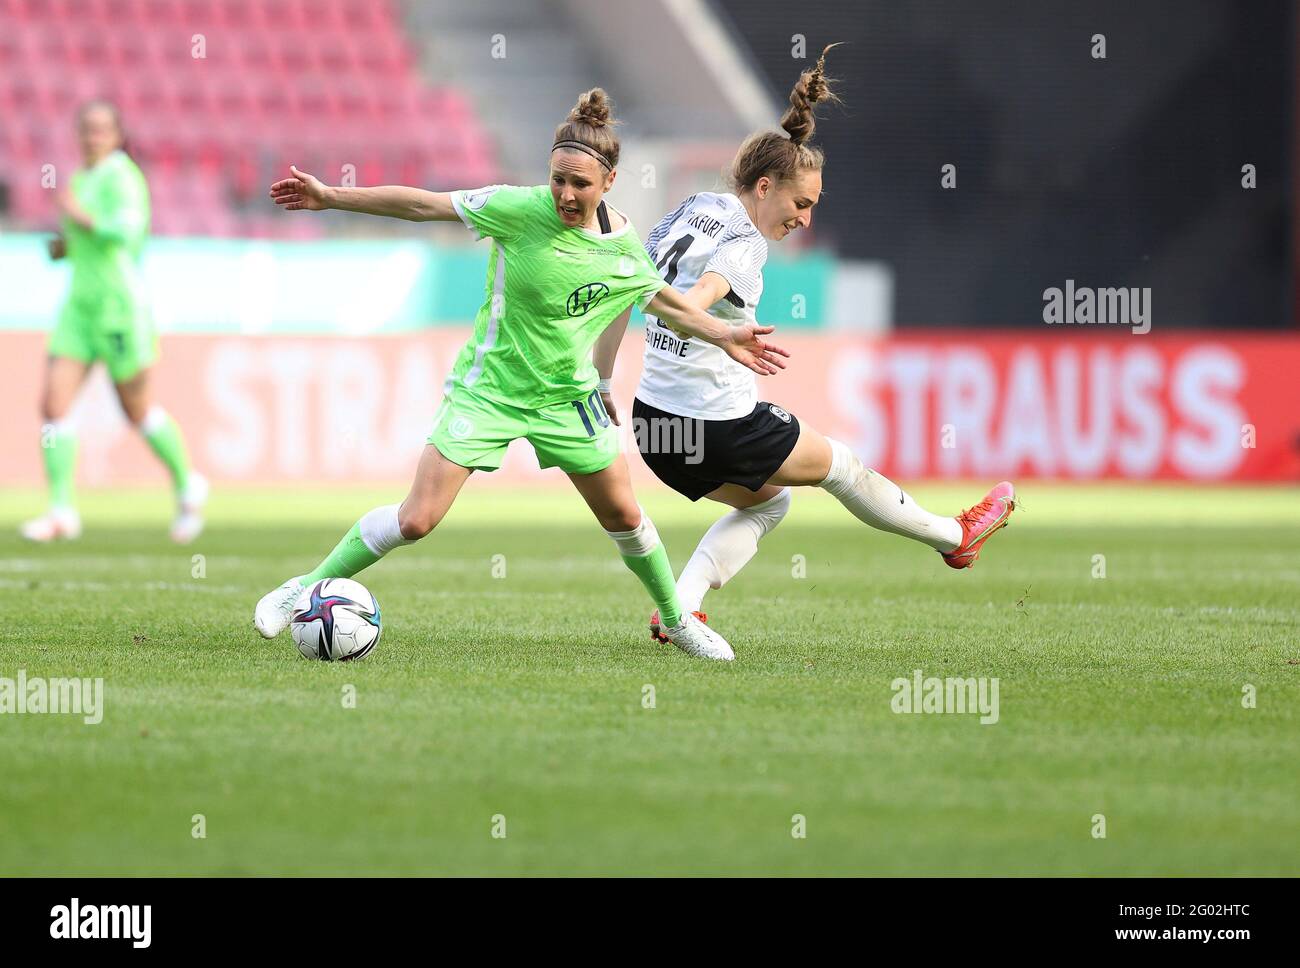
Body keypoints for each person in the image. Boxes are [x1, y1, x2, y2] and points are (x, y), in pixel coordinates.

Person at [252, 89, 790, 661]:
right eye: (558, 178)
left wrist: (724, 332)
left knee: (626, 516)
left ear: (608, 182)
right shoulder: (516, 208)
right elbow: (422, 205)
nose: (564, 193)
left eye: (580, 184)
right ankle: (300, 590)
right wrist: (331, 196)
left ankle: (679, 621)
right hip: (489, 389)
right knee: (416, 520)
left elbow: (662, 301)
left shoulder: (624, 248)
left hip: (565, 397)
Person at [600, 48, 1015, 641]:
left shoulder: (693, 208)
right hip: (717, 424)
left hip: (655, 428)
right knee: (841, 467)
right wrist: (724, 331)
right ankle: (956, 537)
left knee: (769, 502)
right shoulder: (744, 244)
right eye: (801, 203)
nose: (805, 219)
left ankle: (682, 608)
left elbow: (633, 289)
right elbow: (690, 304)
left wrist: (602, 378)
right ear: (764, 186)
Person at [21, 101, 207, 544]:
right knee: (53, 405)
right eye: (86, 129)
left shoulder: (123, 176)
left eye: (102, 129)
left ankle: (188, 482)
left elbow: (125, 232)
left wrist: (77, 215)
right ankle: (62, 510)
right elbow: (90, 240)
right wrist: (65, 247)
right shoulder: (84, 179)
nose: (92, 137)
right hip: (79, 309)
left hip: (119, 308)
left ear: (119, 135)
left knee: (137, 410)